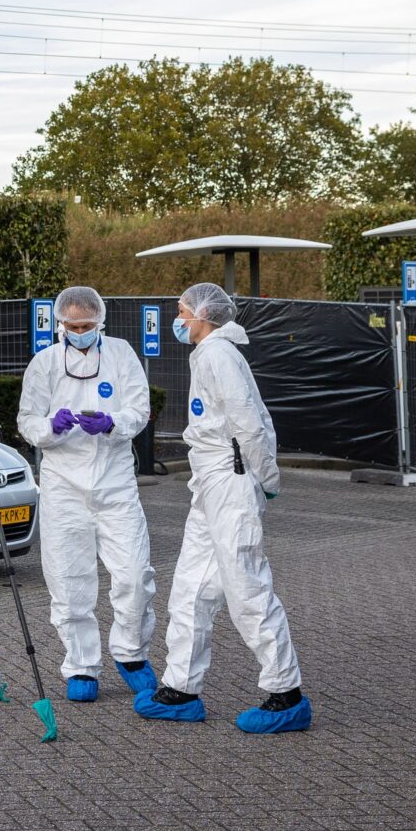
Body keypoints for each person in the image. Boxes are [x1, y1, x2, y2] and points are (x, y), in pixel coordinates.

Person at [135, 282, 311, 733]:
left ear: (203, 315)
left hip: (229, 483)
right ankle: (181, 688)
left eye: (182, 312)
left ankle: (286, 693)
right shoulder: (210, 354)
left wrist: (266, 478)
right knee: (192, 587)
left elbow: (249, 421)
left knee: (247, 587)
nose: (178, 319)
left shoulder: (217, 355)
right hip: (210, 485)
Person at [17, 286, 156, 704]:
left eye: (87, 326)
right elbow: (27, 419)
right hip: (63, 484)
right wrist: (50, 428)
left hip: (114, 481)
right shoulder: (44, 363)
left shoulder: (121, 354)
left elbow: (140, 408)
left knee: (134, 575)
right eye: (73, 326)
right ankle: (81, 664)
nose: (80, 333)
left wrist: (112, 422)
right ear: (60, 324)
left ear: (101, 321)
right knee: (68, 579)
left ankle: (131, 654)